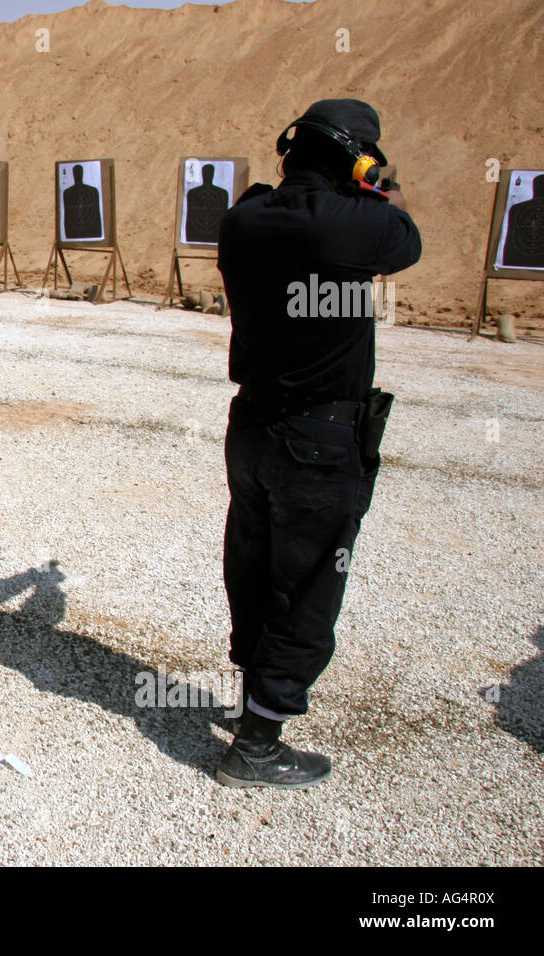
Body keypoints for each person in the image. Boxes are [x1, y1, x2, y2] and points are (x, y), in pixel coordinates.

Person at [216, 99, 421, 788]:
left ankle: (254, 695)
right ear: (356, 160)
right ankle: (257, 744)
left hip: (251, 430)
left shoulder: (243, 218)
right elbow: (407, 237)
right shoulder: (359, 222)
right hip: (320, 438)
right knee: (306, 585)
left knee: (253, 563)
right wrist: (374, 181)